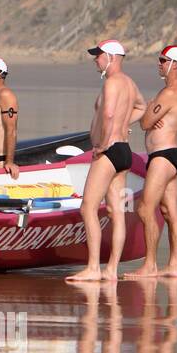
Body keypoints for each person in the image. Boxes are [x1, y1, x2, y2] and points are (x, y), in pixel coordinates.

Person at [67, 40, 147, 283]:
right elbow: (142, 107)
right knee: (116, 212)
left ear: (111, 57)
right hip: (123, 150)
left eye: (98, 55)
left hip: (109, 151)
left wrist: (101, 144)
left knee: (87, 208)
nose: (95, 59)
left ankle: (93, 267)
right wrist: (124, 125)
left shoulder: (112, 82)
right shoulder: (130, 83)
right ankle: (111, 270)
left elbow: (109, 113)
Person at [125, 45, 177, 279]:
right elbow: (151, 117)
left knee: (144, 208)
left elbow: (145, 121)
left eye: (162, 60)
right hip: (171, 154)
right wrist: (152, 111)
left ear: (174, 64)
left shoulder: (169, 93)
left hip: (163, 156)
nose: (159, 64)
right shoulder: (175, 91)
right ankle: (174, 265)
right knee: (170, 212)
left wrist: (151, 109)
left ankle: (150, 264)